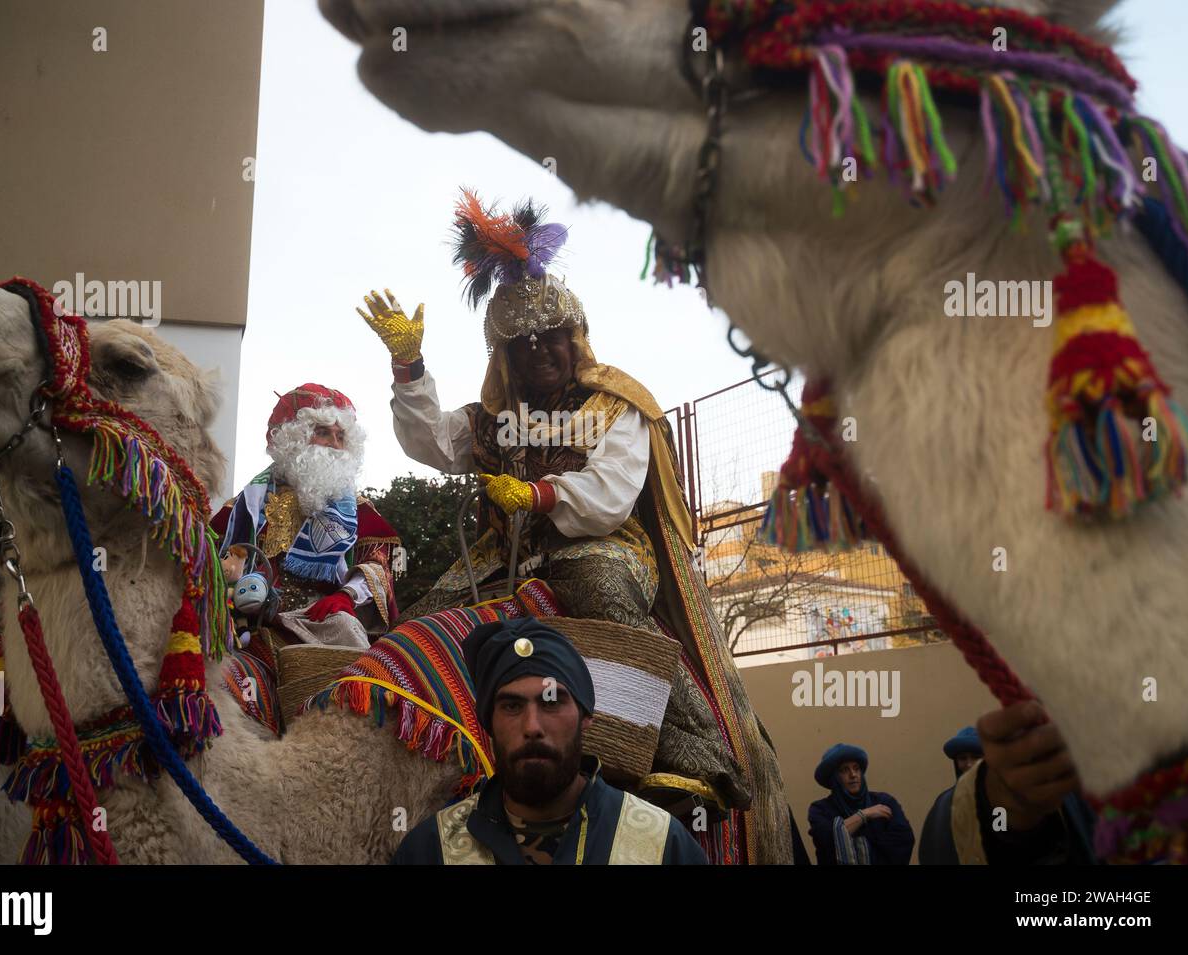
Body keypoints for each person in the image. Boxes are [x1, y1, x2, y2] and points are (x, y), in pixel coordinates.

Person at [358, 189, 797, 864]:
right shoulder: (490, 417)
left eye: (552, 338)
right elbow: (429, 441)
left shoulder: (614, 404)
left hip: (604, 544)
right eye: (524, 343)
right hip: (504, 556)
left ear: (574, 338)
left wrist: (535, 493)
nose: (541, 352)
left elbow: (612, 494)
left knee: (590, 573)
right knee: (419, 619)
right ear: (505, 353)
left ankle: (699, 755)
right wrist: (409, 368)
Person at [391, 617, 708, 865]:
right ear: (489, 723)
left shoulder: (662, 844)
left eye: (551, 702)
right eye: (512, 706)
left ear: (585, 717)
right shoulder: (430, 850)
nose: (532, 727)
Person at [211, 384, 403, 651]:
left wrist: (347, 596)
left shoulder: (360, 511)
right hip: (249, 623)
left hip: (322, 623)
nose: (335, 445)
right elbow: (208, 566)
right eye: (323, 433)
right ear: (293, 440)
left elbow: (380, 565)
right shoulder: (243, 509)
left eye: (341, 436)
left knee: (347, 638)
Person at [918, 703, 1098, 865]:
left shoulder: (1002, 800)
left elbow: (1002, 830)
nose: (968, 764)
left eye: (975, 757)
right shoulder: (944, 803)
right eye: (962, 758)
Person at [808, 743, 914, 865]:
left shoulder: (884, 801)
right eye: (844, 770)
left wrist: (848, 837)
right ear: (834, 777)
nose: (853, 775)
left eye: (856, 768)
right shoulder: (820, 809)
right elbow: (827, 841)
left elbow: (903, 840)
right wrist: (863, 815)